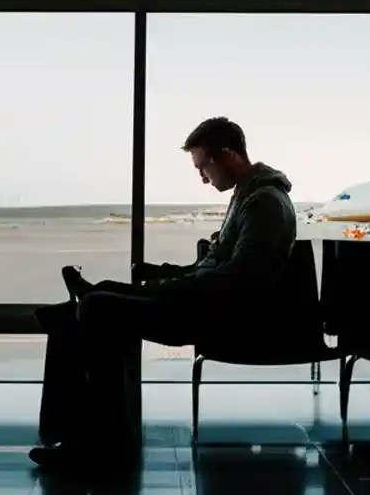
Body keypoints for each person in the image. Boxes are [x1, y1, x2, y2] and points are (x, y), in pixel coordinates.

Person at [30, 116, 297, 470]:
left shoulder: (263, 203)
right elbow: (216, 267)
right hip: (210, 302)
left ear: (228, 155)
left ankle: (101, 442)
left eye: (204, 166)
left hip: (222, 314)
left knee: (96, 309)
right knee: (100, 300)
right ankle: (87, 430)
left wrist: (169, 286)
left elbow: (237, 278)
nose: (203, 177)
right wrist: (166, 277)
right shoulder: (250, 196)